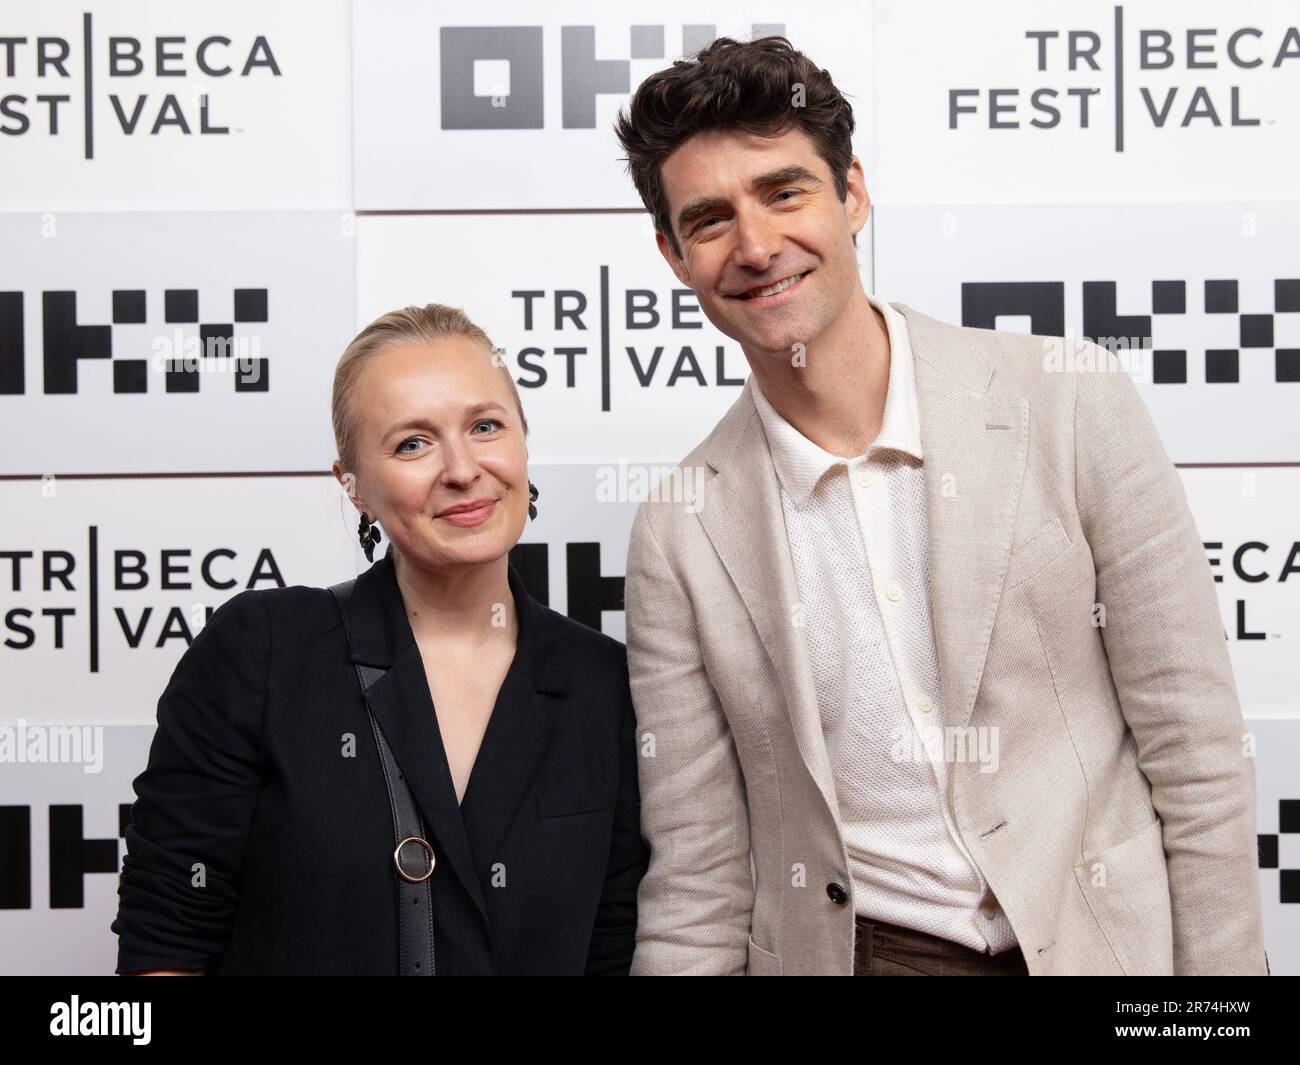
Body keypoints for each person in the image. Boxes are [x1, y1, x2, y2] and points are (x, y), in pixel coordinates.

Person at [613, 36, 1268, 976]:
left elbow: (1197, 751)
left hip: (1103, 949)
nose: (757, 246)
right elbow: (699, 875)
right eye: (710, 220)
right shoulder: (682, 529)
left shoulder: (1068, 400)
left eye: (785, 192)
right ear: (675, 255)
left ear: (854, 196)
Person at [112, 304, 648, 975]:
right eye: (412, 444)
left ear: (522, 442)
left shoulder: (608, 685)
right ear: (354, 485)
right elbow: (169, 934)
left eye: (485, 426)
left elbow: (616, 945)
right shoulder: (263, 652)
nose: (461, 468)